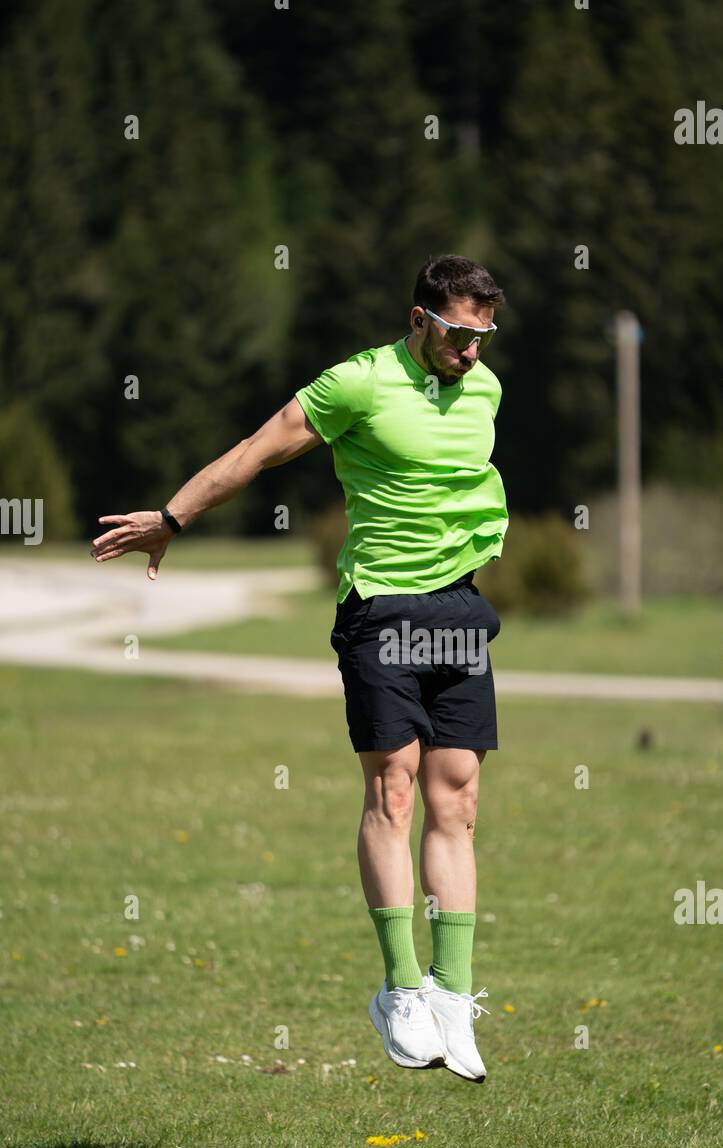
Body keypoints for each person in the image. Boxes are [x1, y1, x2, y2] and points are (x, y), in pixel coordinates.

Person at [91, 253, 509, 1082]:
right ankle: (399, 990)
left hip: (458, 609)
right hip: (381, 607)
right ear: (421, 318)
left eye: (486, 337)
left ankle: (452, 995)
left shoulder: (485, 388)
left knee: (456, 794)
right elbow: (258, 449)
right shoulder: (356, 383)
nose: (472, 352)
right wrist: (174, 516)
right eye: (460, 334)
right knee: (394, 786)